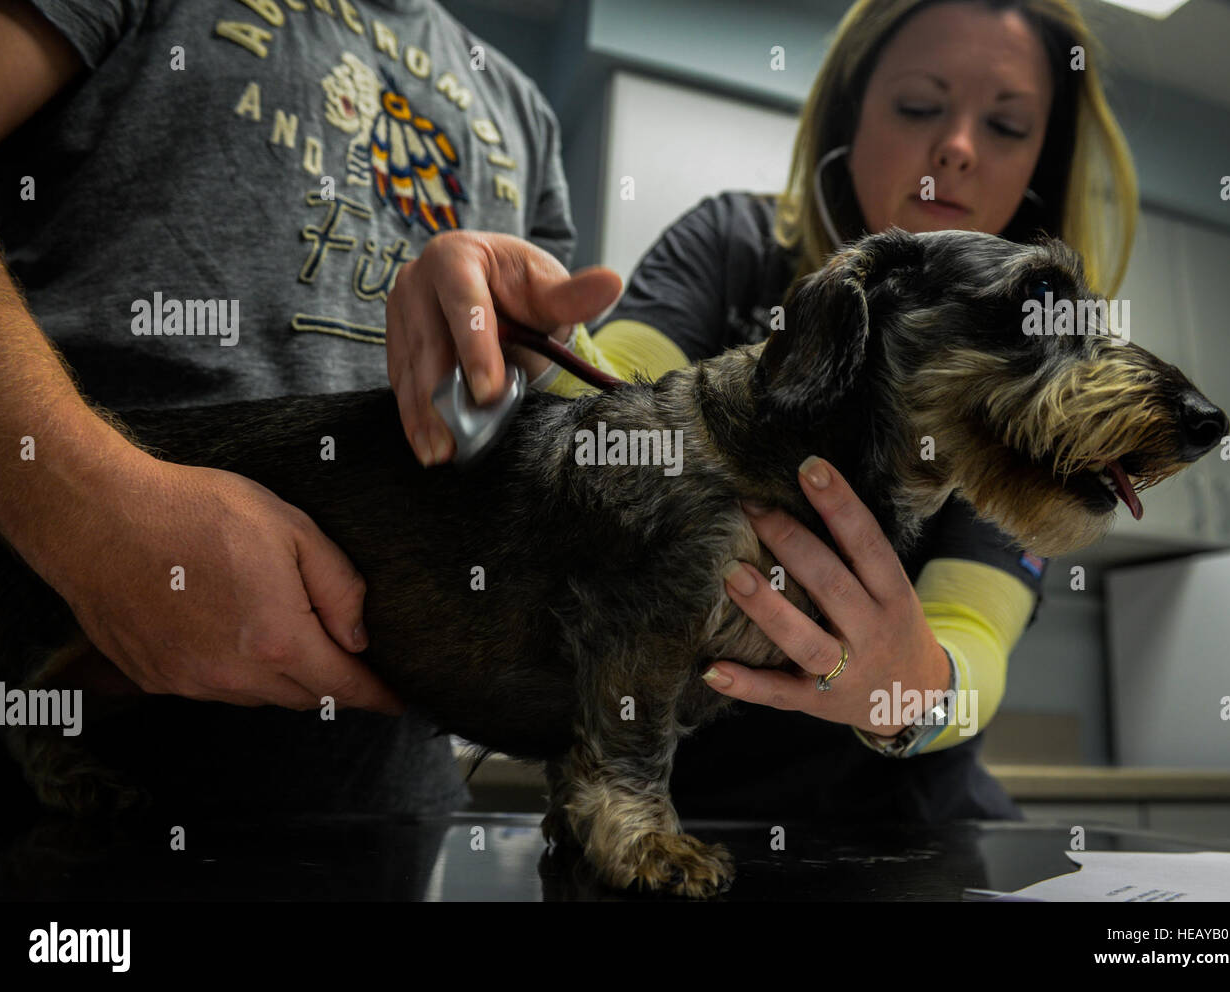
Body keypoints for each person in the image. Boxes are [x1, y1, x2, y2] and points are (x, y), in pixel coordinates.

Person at [396, 0, 1137, 824]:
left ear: (1042, 160)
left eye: (1006, 126)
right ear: (848, 115)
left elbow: (972, 633)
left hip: (912, 823)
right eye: (920, 106)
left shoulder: (1035, 368)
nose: (957, 147)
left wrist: (918, 694)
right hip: (684, 809)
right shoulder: (729, 244)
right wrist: (543, 338)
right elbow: (618, 405)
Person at [0, 0, 616, 815]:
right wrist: (89, 516)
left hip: (380, 795)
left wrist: (528, 355)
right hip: (45, 702)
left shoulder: (523, 108)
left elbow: (507, 418)